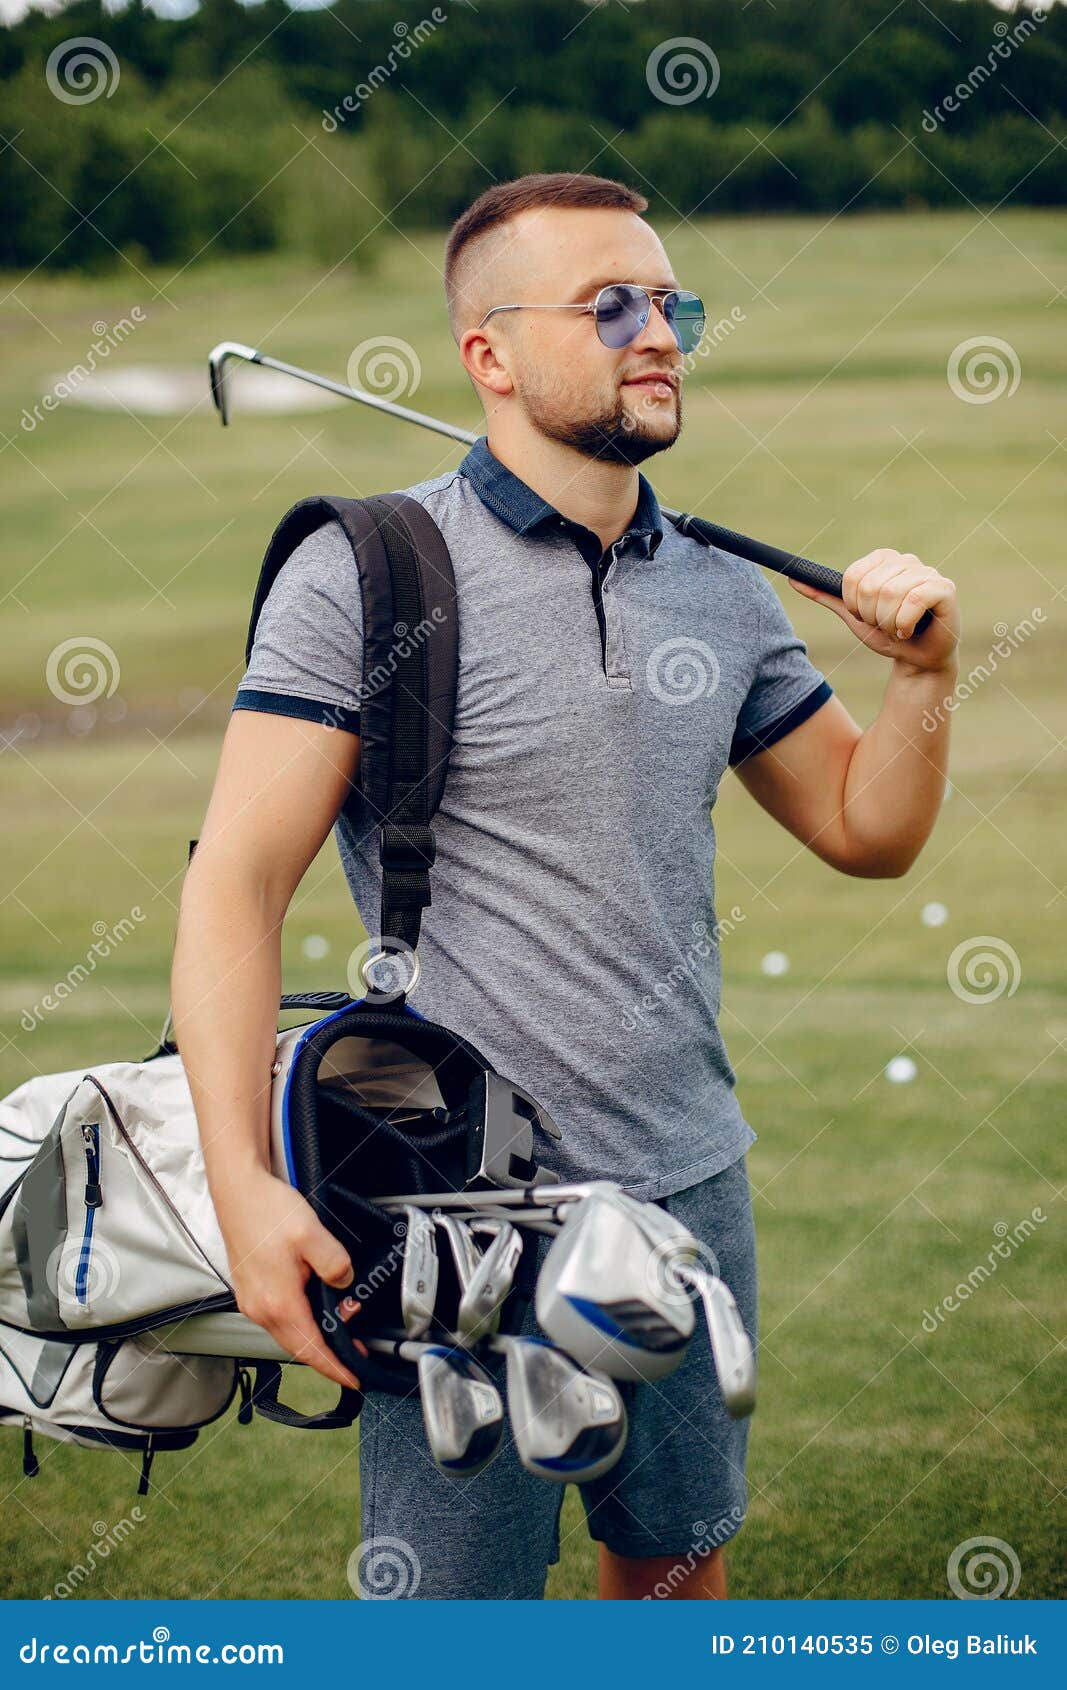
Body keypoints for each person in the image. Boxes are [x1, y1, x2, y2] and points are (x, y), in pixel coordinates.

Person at [171, 172, 960, 1600]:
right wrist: (243, 1185)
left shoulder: (720, 587)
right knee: (457, 1617)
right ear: (489, 354)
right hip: (452, 1201)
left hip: (687, 1176)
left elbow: (867, 827)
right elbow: (235, 883)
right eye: (611, 306)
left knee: (671, 1573)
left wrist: (923, 677)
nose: (657, 333)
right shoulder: (370, 572)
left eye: (672, 305)